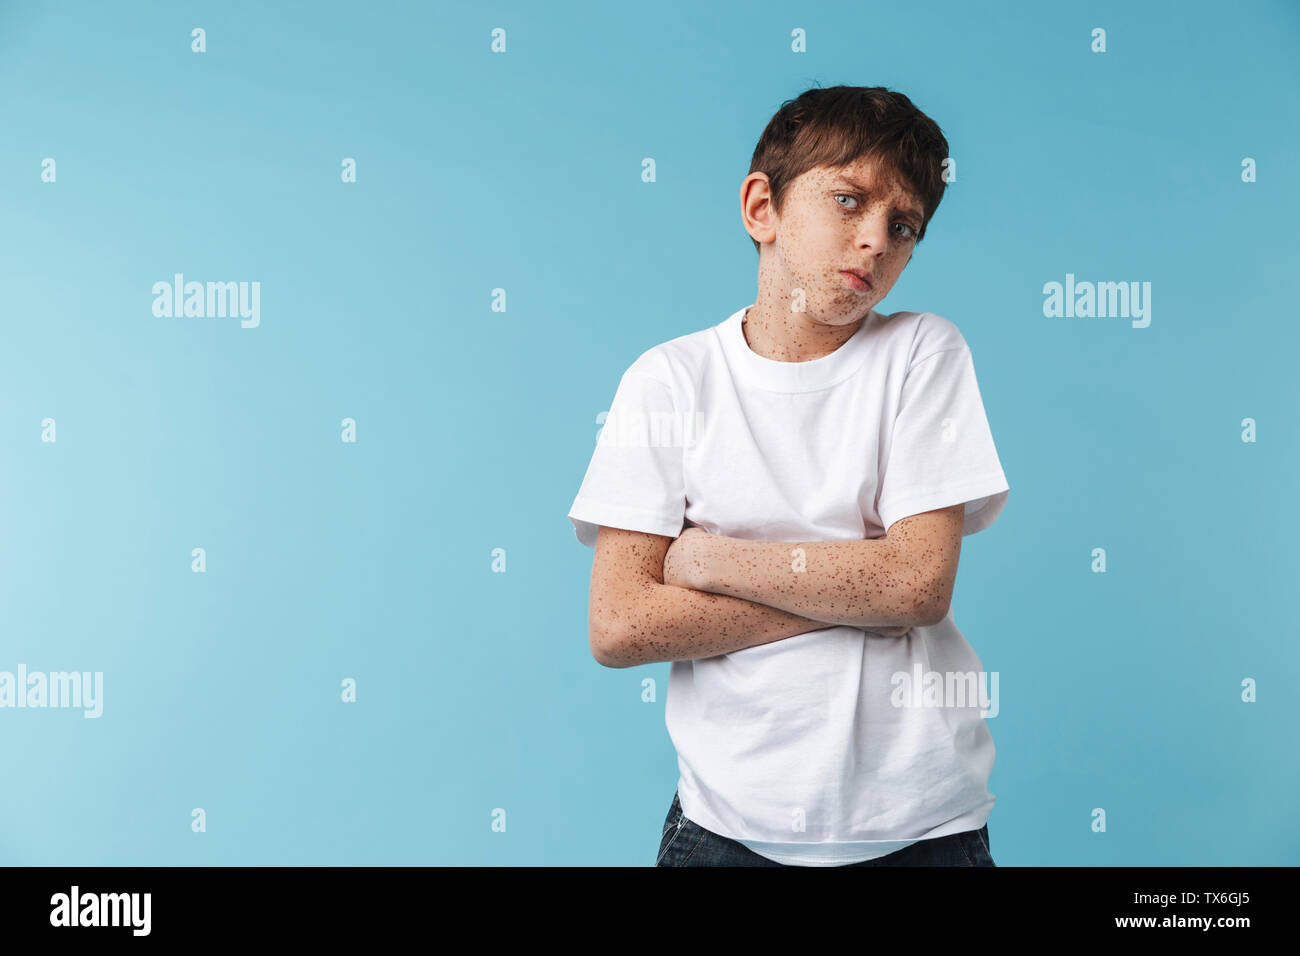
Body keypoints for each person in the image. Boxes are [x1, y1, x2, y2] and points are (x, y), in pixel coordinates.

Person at [567, 85, 1009, 867]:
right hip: (726, 831)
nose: (876, 238)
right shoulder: (669, 381)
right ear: (761, 209)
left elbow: (916, 589)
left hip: (923, 831)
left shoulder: (923, 354)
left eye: (903, 226)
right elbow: (622, 624)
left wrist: (711, 563)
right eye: (849, 200)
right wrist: (858, 596)